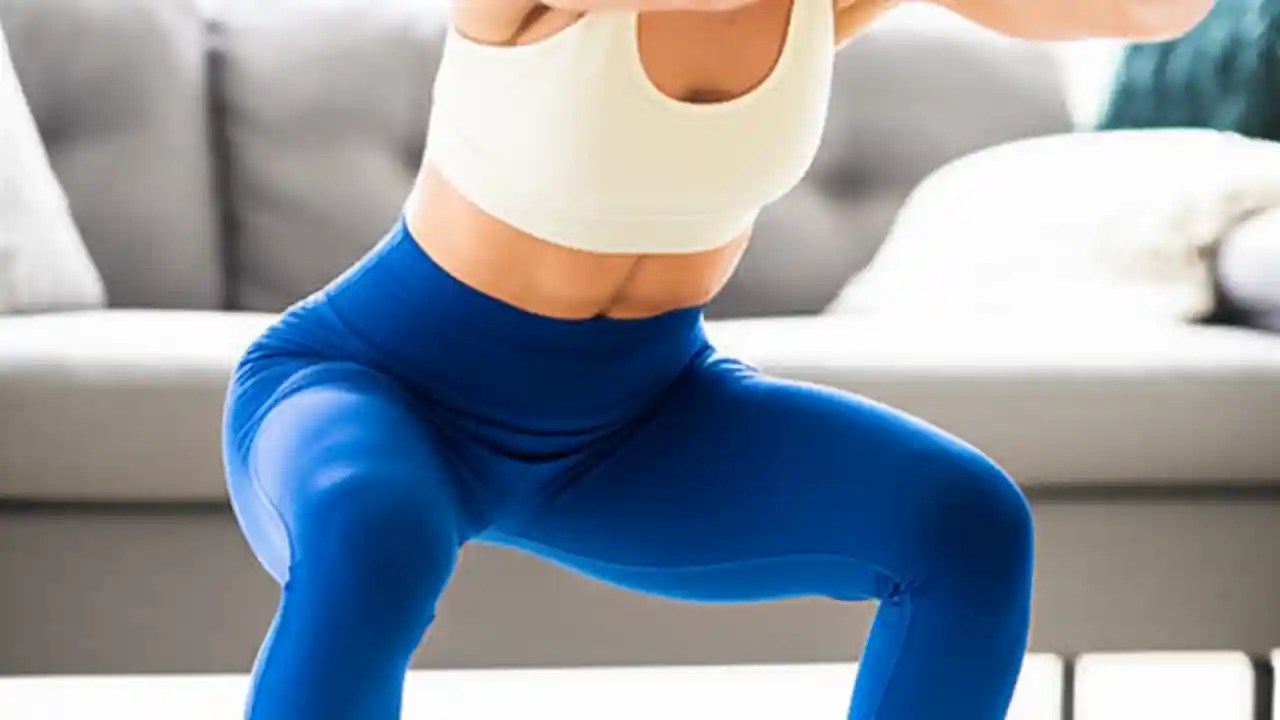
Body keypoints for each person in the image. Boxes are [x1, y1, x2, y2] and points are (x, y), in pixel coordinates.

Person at [220, 0, 1213, 717]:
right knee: (372, 532)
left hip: (636, 420)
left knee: (962, 522)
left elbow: (1139, 12)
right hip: (376, 385)